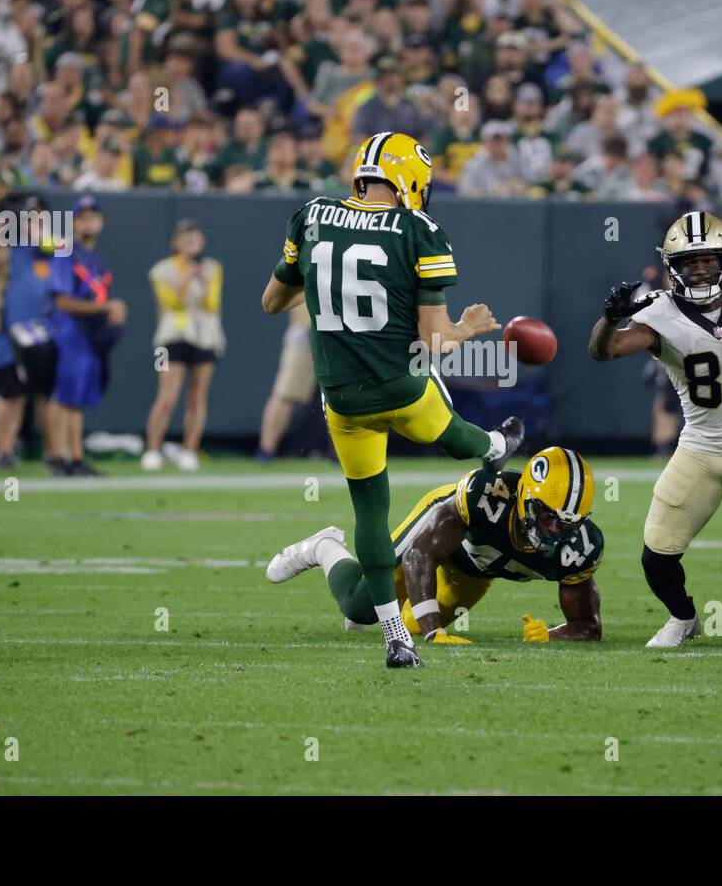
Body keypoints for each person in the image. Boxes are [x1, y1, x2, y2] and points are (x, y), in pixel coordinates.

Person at [260, 131, 524, 669]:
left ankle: (395, 638)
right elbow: (434, 340)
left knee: (371, 513)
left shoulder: (311, 216)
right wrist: (469, 327)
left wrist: (321, 277)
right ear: (409, 181)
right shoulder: (418, 230)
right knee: (450, 434)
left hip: (343, 399)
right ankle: (495, 444)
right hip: (401, 387)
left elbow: (271, 302)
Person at [590, 212, 722, 647]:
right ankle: (683, 619)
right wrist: (610, 318)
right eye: (689, 262)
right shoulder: (659, 311)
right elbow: (604, 351)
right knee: (657, 556)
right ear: (673, 267)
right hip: (700, 448)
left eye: (707, 260)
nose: (700, 269)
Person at [267, 449, 604, 644]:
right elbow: (422, 552)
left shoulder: (580, 548)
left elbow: (588, 626)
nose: (554, 530)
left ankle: (381, 610)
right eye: (547, 516)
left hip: (475, 569)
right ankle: (324, 546)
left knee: (411, 625)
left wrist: (551, 635)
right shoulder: (484, 496)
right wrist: (433, 632)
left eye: (566, 523)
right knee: (360, 605)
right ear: (525, 497)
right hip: (440, 532)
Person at [45, 195, 126, 476]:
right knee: (64, 395)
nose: (87, 223)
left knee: (76, 398)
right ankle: (58, 456)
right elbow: (62, 301)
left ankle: (75, 457)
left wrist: (109, 312)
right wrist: (106, 307)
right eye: (81, 218)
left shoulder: (96, 258)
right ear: (73, 223)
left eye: (92, 217)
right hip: (70, 330)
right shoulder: (65, 252)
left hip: (89, 332)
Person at [0, 192, 58, 468]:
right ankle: (4, 452)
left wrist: (35, 228)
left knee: (47, 394)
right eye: (29, 214)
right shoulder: (3, 245)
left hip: (43, 331)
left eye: (38, 214)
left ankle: (54, 453)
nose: (34, 218)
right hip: (7, 333)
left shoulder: (49, 245)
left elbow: (55, 246)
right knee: (11, 393)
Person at [141, 219, 224, 472]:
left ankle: (190, 450)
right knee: (166, 396)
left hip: (205, 338)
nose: (192, 244)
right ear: (176, 243)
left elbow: (212, 305)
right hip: (169, 340)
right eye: (186, 240)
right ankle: (152, 449)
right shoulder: (161, 270)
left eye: (195, 239)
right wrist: (187, 278)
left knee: (198, 398)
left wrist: (204, 282)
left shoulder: (212, 268)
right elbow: (171, 304)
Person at [257, 303, 315, 462]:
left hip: (342, 331)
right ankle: (265, 451)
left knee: (349, 392)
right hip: (305, 332)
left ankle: (347, 451)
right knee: (284, 393)